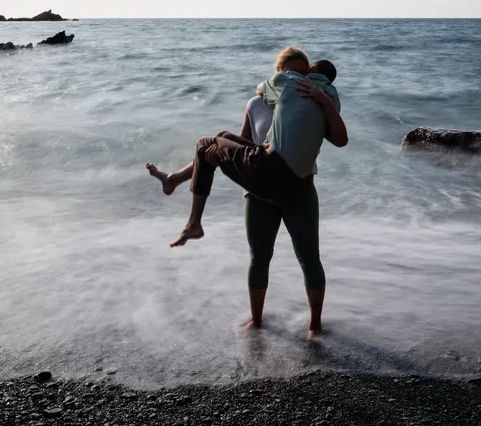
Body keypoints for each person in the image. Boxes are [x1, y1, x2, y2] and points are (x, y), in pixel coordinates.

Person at [145, 47, 347, 339]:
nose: (297, 77)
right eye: (291, 71)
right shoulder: (256, 104)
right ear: (278, 71)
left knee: (309, 257)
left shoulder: (308, 97)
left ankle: (315, 325)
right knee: (259, 256)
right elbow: (243, 146)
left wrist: (322, 101)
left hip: (299, 189)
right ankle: (257, 321)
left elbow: (339, 138)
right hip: (260, 188)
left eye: (303, 72)